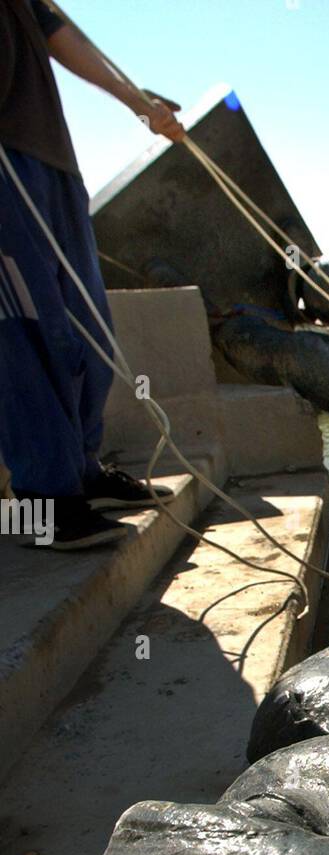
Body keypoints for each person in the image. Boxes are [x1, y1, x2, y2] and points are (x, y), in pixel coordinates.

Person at [0, 0, 185, 550]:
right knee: (24, 329)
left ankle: (79, 470)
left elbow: (57, 29)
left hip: (50, 157)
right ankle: (42, 502)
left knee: (87, 325)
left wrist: (139, 103)